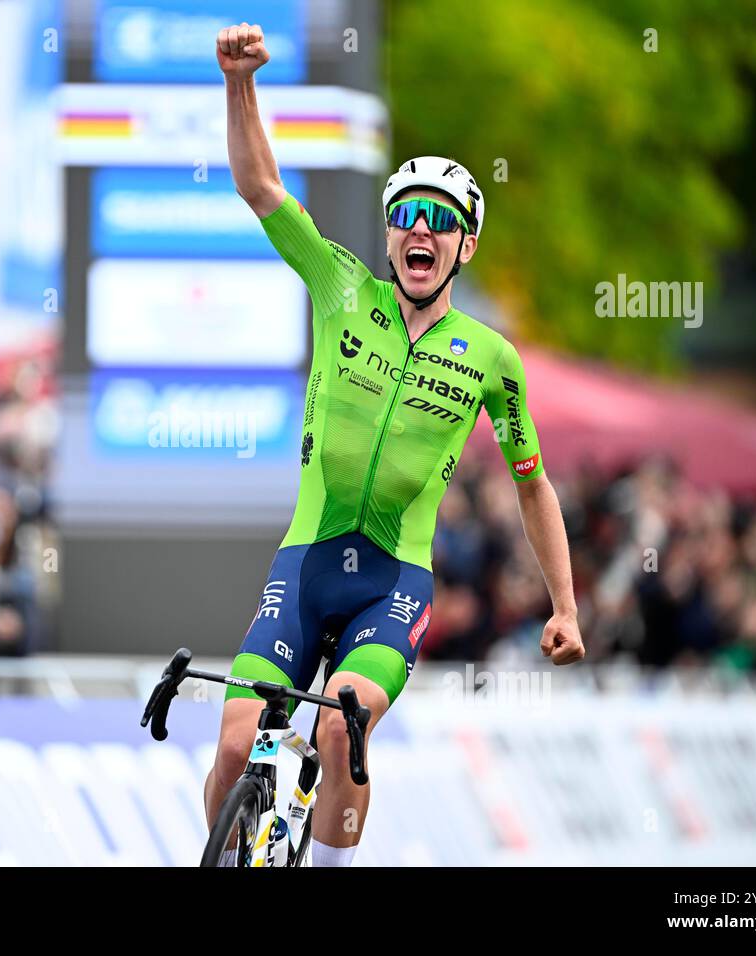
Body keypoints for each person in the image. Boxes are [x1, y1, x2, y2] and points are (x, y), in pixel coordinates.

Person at [206, 22, 585, 867]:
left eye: (442, 223)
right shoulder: (340, 287)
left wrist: (564, 605)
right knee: (237, 741)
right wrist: (239, 83)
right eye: (407, 217)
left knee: (341, 724)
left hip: (393, 583)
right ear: (388, 237)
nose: (422, 231)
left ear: (464, 247)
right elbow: (261, 185)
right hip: (305, 562)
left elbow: (532, 485)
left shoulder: (493, 359)